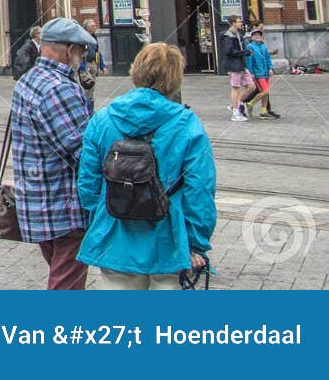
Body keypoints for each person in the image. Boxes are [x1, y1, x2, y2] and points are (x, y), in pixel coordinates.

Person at [76, 42, 216, 289]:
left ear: (136, 71)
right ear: (175, 78)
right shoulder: (187, 124)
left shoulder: (102, 119)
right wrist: (196, 242)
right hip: (169, 240)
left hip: (114, 237)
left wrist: (99, 219)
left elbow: (87, 185)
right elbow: (200, 190)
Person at [11, 17, 95, 290]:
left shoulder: (28, 80)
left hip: (37, 203)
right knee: (66, 286)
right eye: (81, 50)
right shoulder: (59, 88)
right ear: (69, 49)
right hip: (63, 207)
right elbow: (82, 151)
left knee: (64, 276)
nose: (81, 57)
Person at [241, 27, 280, 119]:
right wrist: (251, 72)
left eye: (259, 35)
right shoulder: (250, 46)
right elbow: (249, 60)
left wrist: (270, 68)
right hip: (258, 73)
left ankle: (264, 111)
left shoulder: (264, 46)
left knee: (266, 92)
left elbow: (267, 59)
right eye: (255, 35)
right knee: (265, 91)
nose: (258, 36)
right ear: (252, 37)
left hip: (265, 72)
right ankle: (250, 103)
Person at [219, 17, 251, 122]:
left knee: (251, 85)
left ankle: (237, 103)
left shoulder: (237, 34)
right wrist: (244, 52)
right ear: (233, 23)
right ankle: (235, 113)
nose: (241, 23)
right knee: (236, 88)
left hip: (241, 64)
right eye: (239, 21)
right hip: (234, 65)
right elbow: (229, 51)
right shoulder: (228, 36)